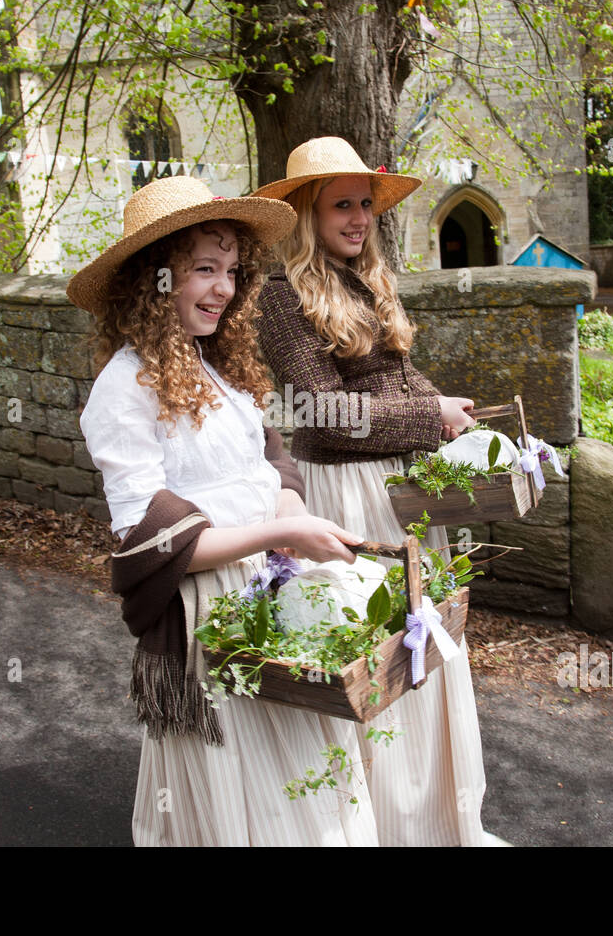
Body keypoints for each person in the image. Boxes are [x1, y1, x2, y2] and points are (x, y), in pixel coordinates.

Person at [71, 175, 386, 846]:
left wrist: (292, 523)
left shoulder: (219, 366)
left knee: (302, 760)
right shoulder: (121, 390)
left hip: (268, 584)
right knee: (243, 788)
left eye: (232, 271)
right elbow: (146, 539)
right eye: (203, 270)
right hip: (207, 615)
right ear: (152, 281)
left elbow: (271, 462)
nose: (223, 288)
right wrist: (280, 532)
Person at [253, 136, 494, 846]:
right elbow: (326, 415)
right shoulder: (279, 297)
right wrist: (427, 415)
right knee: (376, 659)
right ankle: (377, 826)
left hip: (398, 485)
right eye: (341, 205)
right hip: (347, 494)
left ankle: (429, 820)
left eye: (365, 203)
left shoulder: (369, 278)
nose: (358, 218)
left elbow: (399, 376)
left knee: (423, 650)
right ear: (307, 213)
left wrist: (441, 405)